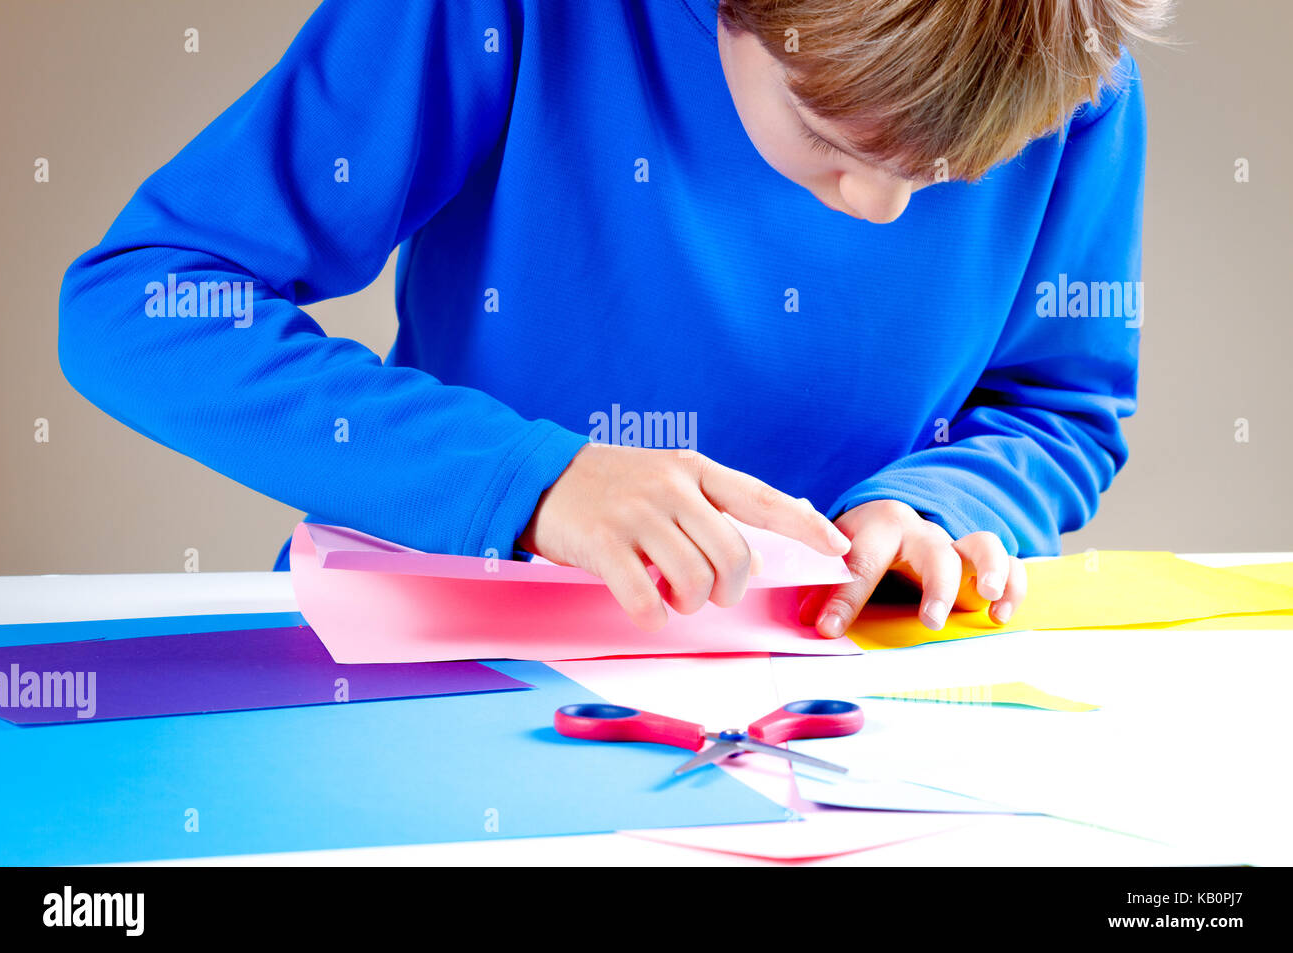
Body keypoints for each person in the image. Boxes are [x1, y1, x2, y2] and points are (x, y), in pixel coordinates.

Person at [58, 0, 1170, 638]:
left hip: (822, 701)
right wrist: (531, 481)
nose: (883, 210)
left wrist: (938, 499)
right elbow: (142, 298)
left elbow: (1054, 402)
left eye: (952, 175)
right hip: (439, 661)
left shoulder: (1073, 77)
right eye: (834, 143)